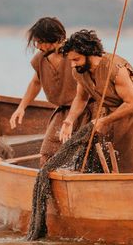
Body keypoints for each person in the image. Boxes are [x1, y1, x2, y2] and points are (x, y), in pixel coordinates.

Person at [59, 29, 133, 173]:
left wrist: (103, 121)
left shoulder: (115, 69)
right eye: (71, 60)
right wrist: (69, 121)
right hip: (111, 108)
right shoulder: (79, 71)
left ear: (89, 54)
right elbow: (81, 97)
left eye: (76, 59)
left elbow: (131, 104)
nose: (72, 65)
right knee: (108, 150)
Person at [9, 17, 88, 166]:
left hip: (85, 109)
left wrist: (71, 121)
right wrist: (21, 107)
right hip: (63, 112)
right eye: (36, 42)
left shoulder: (75, 56)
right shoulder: (41, 58)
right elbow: (35, 82)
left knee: (82, 154)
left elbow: (82, 95)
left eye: (40, 42)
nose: (38, 46)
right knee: (48, 152)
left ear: (54, 39)